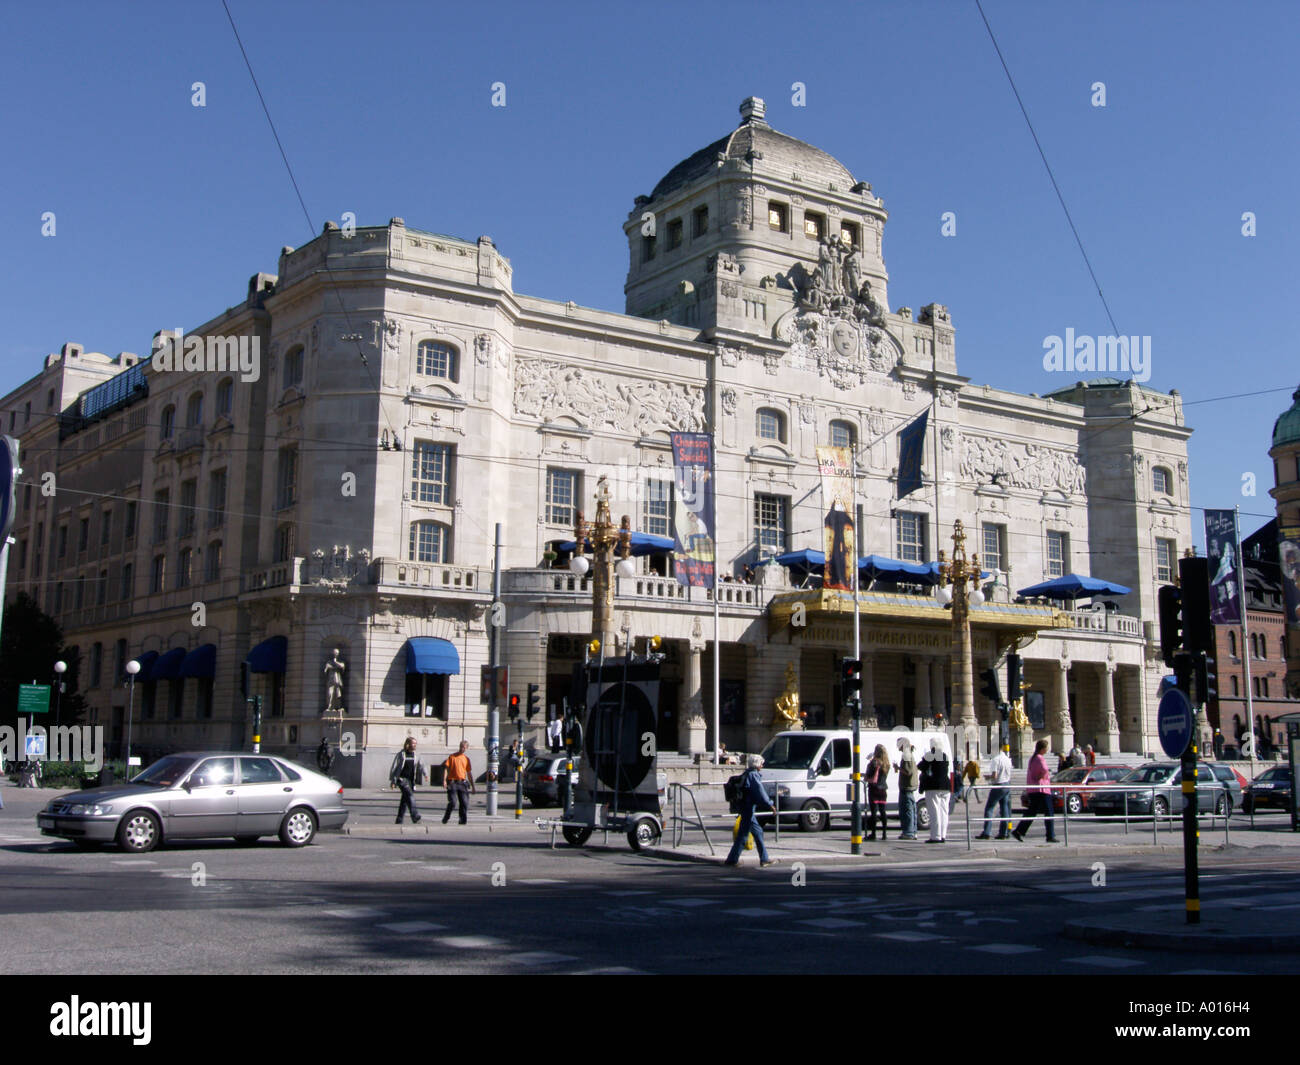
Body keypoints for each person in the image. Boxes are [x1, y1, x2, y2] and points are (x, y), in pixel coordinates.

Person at [724, 754, 778, 868]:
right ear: (757, 764)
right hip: (748, 808)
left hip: (745, 807)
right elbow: (760, 792)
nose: (762, 766)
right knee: (743, 835)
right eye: (761, 764)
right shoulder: (753, 775)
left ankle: (762, 858)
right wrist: (770, 804)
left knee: (757, 832)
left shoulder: (747, 773)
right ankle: (733, 860)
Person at [1013, 739, 1058, 842]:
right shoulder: (1039, 758)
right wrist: (1042, 775)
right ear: (1042, 749)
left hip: (1033, 788)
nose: (1047, 750)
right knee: (1049, 812)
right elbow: (1044, 769)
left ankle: (1019, 830)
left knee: (1032, 811)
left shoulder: (1033, 758)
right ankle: (1050, 835)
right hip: (1042, 788)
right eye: (1046, 748)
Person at [977, 748, 1013, 840]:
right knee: (1004, 808)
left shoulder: (996, 760)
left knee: (989, 808)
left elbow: (994, 775)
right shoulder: (1007, 759)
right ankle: (1003, 832)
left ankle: (987, 832)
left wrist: (987, 777)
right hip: (1007, 784)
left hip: (998, 785)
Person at [919, 738, 951, 843]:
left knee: (934, 811)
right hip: (946, 786)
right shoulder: (944, 755)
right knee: (944, 811)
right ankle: (943, 835)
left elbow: (920, 766)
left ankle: (935, 836)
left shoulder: (930, 755)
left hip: (933, 786)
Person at [388, 737, 423, 825]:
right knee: (410, 796)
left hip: (411, 780)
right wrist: (393, 781)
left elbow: (421, 765)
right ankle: (415, 816)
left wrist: (425, 774)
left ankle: (399, 820)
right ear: (408, 744)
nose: (415, 745)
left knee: (404, 801)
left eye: (416, 743)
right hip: (402, 779)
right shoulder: (401, 754)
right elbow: (394, 767)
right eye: (413, 743)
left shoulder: (416, 755)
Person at [442, 740, 475, 824]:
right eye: (461, 746)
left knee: (464, 802)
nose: (462, 748)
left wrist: (473, 786)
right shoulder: (452, 757)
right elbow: (446, 769)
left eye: (464, 747)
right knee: (453, 802)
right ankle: (447, 816)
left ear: (467, 748)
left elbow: (469, 773)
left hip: (462, 783)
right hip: (452, 782)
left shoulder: (466, 759)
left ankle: (462, 820)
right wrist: (444, 781)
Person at [865, 744, 890, 840]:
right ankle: (884, 833)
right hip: (883, 789)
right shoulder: (886, 763)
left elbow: (869, 775)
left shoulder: (874, 762)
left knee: (874, 812)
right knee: (883, 811)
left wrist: (869, 762)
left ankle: (874, 833)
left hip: (874, 788)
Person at [896, 738, 920, 840]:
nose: (898, 747)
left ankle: (909, 832)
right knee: (911, 809)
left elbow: (908, 771)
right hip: (909, 786)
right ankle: (912, 831)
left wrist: (898, 768)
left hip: (906, 786)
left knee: (907, 810)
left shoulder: (906, 755)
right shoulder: (908, 753)